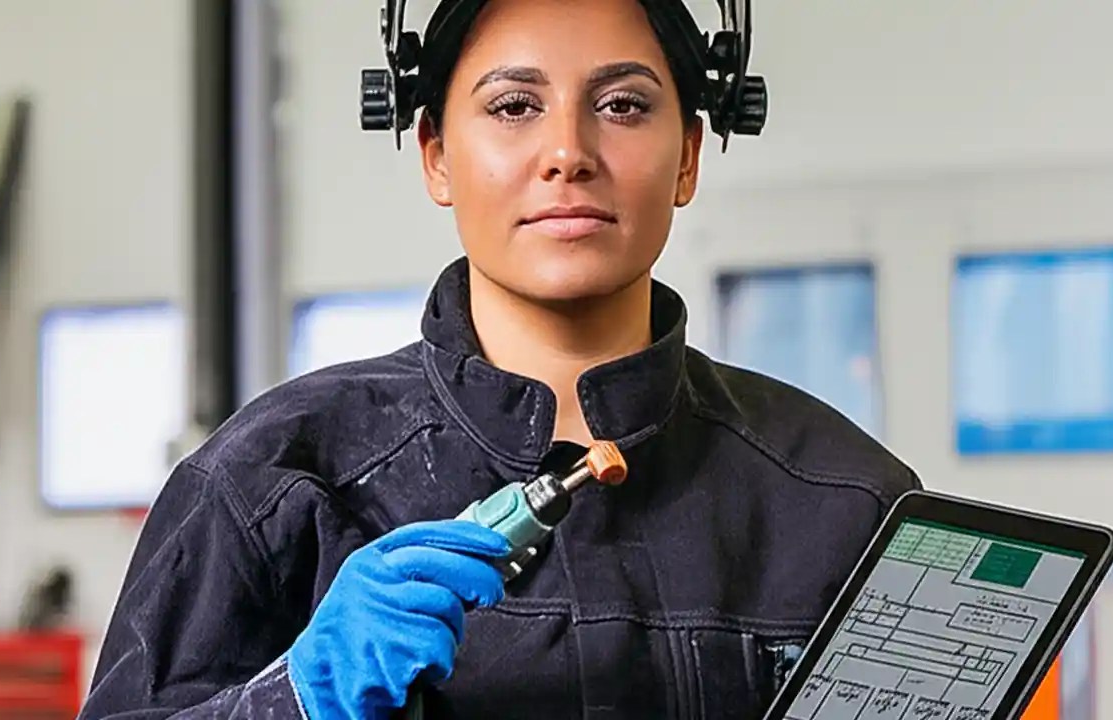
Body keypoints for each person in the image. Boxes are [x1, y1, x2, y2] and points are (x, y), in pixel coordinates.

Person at [79, 0, 921, 717]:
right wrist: (293, 699)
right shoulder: (272, 485)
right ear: (436, 156)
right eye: (515, 105)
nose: (568, 153)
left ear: (690, 158)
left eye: (623, 105)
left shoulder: (848, 503)